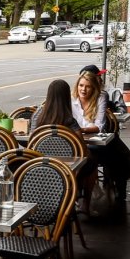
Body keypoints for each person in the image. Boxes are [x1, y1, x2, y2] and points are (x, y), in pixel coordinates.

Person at [30, 79, 98, 214]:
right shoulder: (69, 120)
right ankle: (85, 203)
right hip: (67, 170)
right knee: (92, 161)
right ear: (67, 96)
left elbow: (31, 141)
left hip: (41, 167)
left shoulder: (37, 116)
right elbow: (81, 149)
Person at [74, 65, 130, 203]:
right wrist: (76, 131)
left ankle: (119, 187)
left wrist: (78, 130)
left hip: (98, 141)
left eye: (87, 86)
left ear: (94, 86)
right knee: (91, 158)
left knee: (122, 154)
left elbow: (99, 126)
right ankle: (80, 194)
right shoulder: (71, 99)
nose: (83, 89)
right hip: (77, 143)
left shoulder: (101, 96)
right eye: (81, 85)